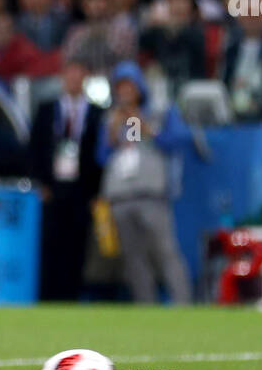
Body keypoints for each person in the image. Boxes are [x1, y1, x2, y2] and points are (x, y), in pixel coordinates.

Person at [96, 61, 192, 305]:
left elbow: (179, 141)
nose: (125, 92)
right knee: (132, 257)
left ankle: (182, 303)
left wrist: (148, 129)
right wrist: (111, 135)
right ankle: (145, 305)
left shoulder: (159, 111)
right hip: (120, 197)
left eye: (129, 86)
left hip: (151, 194)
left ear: (139, 87)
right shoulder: (110, 119)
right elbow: (101, 158)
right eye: (120, 87)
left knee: (165, 251)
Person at [27, 58, 104, 302]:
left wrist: (95, 193)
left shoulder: (97, 113)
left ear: (85, 78)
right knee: (50, 245)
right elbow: (34, 149)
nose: (73, 79)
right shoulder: (46, 109)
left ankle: (72, 297)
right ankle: (47, 297)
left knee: (77, 247)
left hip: (81, 191)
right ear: (62, 77)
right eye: (69, 74)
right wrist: (40, 184)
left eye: (78, 73)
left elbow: (100, 156)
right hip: (52, 189)